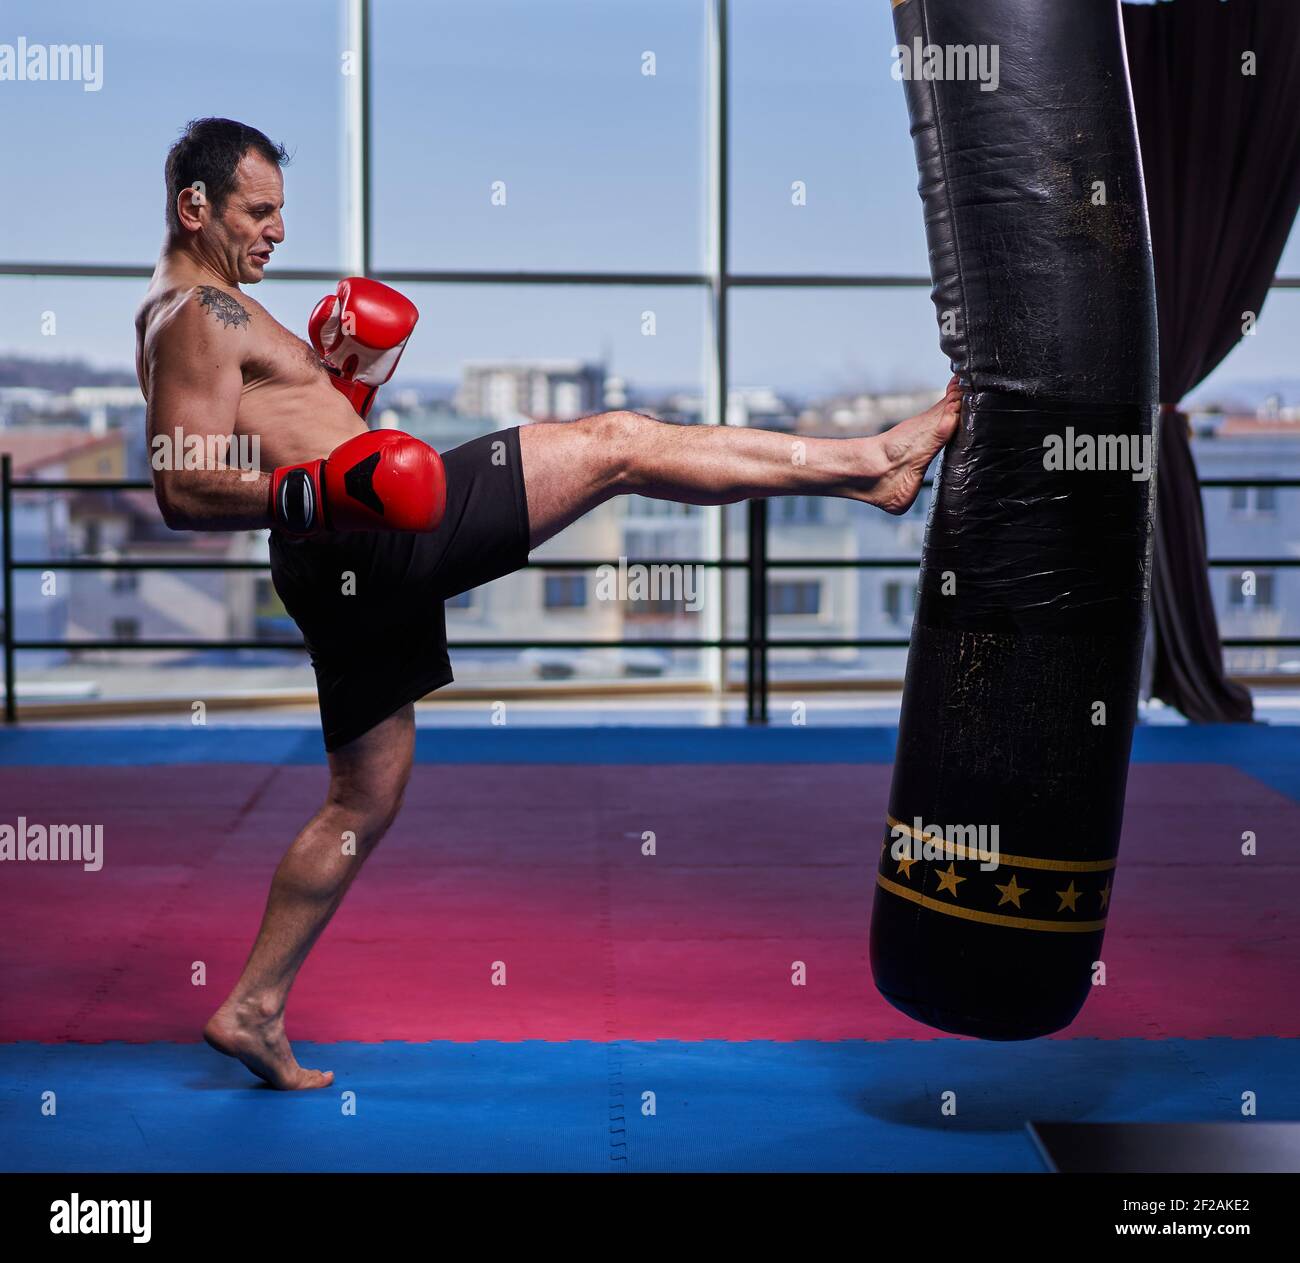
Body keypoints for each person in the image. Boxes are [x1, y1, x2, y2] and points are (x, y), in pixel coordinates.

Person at [135, 117, 960, 1089]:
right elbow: (182, 489)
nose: (277, 232)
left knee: (364, 798)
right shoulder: (199, 316)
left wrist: (345, 391)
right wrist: (331, 490)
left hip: (341, 558)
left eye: (281, 212)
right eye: (259, 212)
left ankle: (252, 1007)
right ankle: (871, 465)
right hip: (367, 537)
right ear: (197, 207)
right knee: (618, 440)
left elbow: (299, 441)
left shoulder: (208, 309)